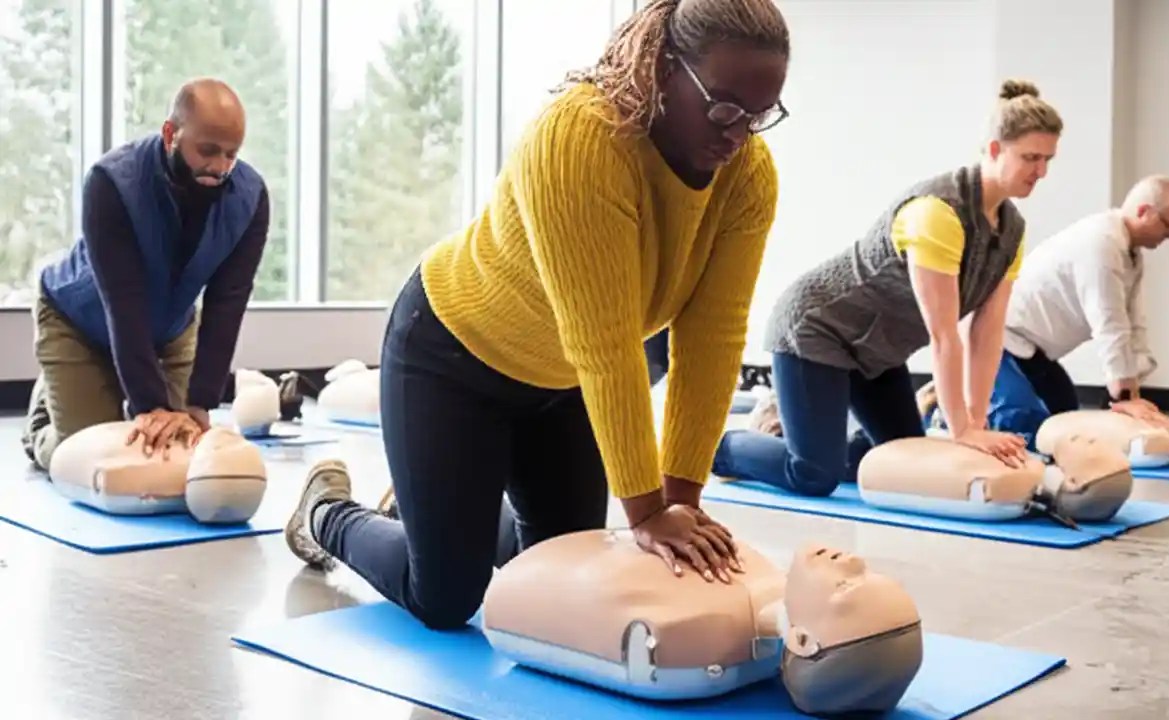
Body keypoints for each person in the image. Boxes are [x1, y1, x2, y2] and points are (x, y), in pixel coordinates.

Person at [283, 0, 790, 630]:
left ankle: (436, 511)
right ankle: (327, 513)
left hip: (560, 385)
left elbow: (713, 339)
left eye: (760, 116)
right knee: (445, 596)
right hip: (452, 356)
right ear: (663, 69)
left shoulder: (748, 177)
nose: (737, 134)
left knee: (560, 578)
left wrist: (681, 499)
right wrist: (648, 512)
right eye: (722, 107)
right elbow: (606, 346)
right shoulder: (582, 137)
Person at [712, 79, 1063, 497]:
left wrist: (977, 421)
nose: (1041, 172)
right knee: (813, 475)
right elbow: (944, 334)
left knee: (898, 467)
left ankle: (801, 429)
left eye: (1047, 160)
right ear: (993, 150)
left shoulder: (1012, 231)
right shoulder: (938, 212)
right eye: (1031, 158)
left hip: (876, 355)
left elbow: (985, 332)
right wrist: (961, 428)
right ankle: (718, 450)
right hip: (817, 329)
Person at [22, 78, 270, 470]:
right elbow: (124, 303)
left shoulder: (251, 198)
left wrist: (200, 403)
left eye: (230, 155)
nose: (219, 167)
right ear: (170, 133)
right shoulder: (110, 183)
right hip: (76, 322)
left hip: (168, 334)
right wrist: (151, 406)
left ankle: (85, 394)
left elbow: (227, 303)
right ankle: (42, 420)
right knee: (95, 459)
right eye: (207, 151)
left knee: (168, 454)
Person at [923, 175, 1169, 446]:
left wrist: (1135, 394)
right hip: (999, 338)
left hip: (1033, 350)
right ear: (1143, 211)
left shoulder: (1131, 255)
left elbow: (1134, 324)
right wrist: (1124, 399)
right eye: (1168, 224)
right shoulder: (1101, 244)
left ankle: (956, 397)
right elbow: (1110, 324)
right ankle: (941, 414)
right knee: (1024, 423)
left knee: (1065, 416)